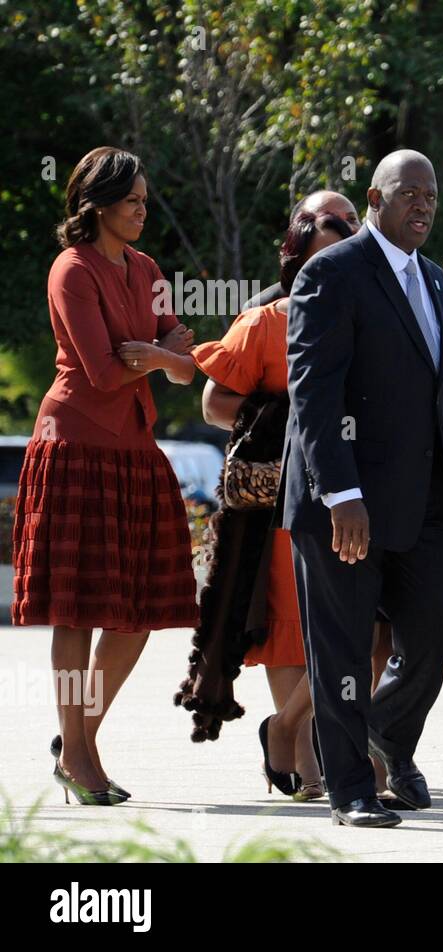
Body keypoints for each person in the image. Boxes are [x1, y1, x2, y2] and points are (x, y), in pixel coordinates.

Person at [283, 149, 443, 828]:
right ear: (374, 196)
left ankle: (385, 735)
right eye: (409, 193)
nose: (423, 205)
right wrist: (340, 493)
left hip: (426, 500)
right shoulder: (330, 274)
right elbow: (314, 393)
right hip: (348, 502)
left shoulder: (433, 280)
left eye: (431, 196)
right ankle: (352, 792)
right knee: (340, 645)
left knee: (434, 623)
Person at [11, 146, 198, 805]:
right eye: (133, 200)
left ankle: (78, 740)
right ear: (97, 206)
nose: (144, 210)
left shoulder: (146, 268)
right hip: (75, 445)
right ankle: (81, 754)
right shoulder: (72, 269)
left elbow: (184, 354)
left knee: (139, 610)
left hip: (135, 447)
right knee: (77, 611)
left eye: (145, 199)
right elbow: (100, 370)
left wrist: (151, 353)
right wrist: (156, 356)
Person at [188, 209, 353, 802]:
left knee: (356, 622)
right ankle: (303, 751)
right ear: (295, 261)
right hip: (284, 498)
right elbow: (214, 404)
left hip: (357, 491)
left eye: (342, 254)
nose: (330, 268)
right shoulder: (263, 323)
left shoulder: (369, 319)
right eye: (318, 256)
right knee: (291, 628)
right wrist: (288, 422)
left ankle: (303, 738)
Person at [241, 191, 362, 309]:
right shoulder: (262, 311)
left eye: (352, 219)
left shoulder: (375, 283)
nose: (347, 228)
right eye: (329, 221)